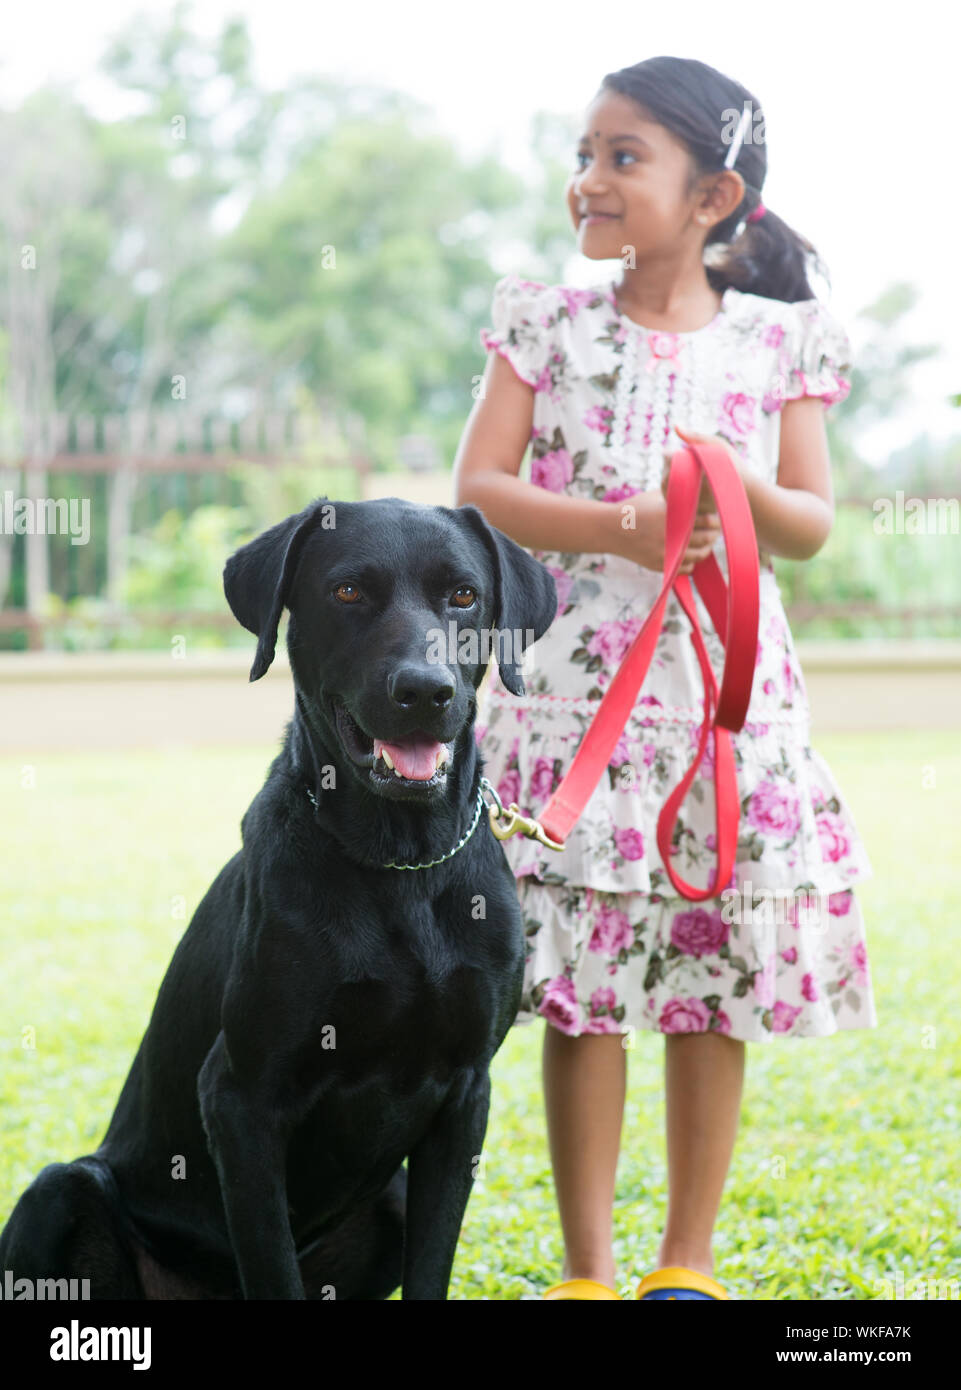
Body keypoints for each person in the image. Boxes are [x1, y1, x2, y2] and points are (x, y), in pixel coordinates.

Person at [453, 55, 876, 1302]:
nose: (586, 179)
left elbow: (807, 521)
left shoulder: (780, 341)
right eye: (583, 153)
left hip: (725, 699)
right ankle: (590, 1271)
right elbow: (479, 487)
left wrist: (728, 482)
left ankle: (683, 1264)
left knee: (712, 973)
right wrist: (623, 529)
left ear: (713, 193)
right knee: (584, 986)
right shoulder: (547, 325)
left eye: (621, 157)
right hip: (576, 689)